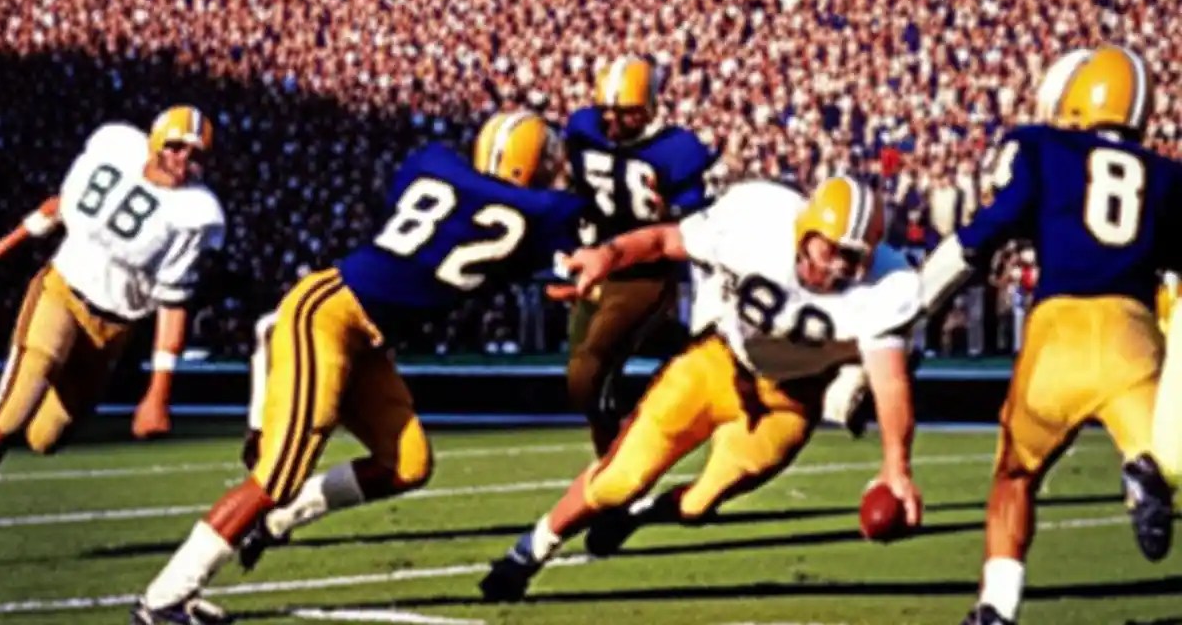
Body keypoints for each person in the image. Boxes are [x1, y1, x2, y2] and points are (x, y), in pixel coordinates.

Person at [131, 111, 585, 625]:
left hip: (359, 328)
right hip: (328, 316)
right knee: (276, 473)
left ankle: (278, 518)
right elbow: (562, 265)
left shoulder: (432, 161)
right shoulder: (547, 210)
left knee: (407, 463)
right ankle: (163, 599)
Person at [479, 175, 925, 602]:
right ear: (806, 229)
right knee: (618, 480)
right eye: (829, 249)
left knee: (698, 504)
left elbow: (890, 380)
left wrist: (896, 468)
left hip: (789, 403)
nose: (834, 267)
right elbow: (664, 241)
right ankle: (531, 549)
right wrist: (608, 256)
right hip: (719, 364)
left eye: (851, 258)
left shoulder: (888, 284)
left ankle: (644, 514)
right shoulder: (758, 218)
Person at [918, 45, 1177, 625]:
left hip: (1057, 333)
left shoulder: (1043, 146)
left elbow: (983, 235)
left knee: (1015, 474)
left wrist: (920, 304)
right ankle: (1144, 469)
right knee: (1168, 458)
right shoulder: (1166, 177)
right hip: (1130, 336)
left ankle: (997, 608)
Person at [0, 106, 225, 570]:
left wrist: (159, 392)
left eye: (195, 154)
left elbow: (173, 302)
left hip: (114, 326)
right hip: (62, 290)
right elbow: (63, 203)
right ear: (155, 140)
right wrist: (10, 241)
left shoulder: (198, 213)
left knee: (46, 435)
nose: (183, 159)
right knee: (14, 405)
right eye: (176, 146)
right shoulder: (115, 145)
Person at [561, 54, 717, 454]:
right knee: (581, 378)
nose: (612, 123)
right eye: (606, 113)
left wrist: (671, 213)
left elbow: (694, 221)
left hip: (644, 271)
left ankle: (626, 458)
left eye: (627, 115)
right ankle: (614, 457)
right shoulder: (581, 127)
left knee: (590, 369)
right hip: (597, 263)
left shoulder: (677, 149)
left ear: (650, 108)